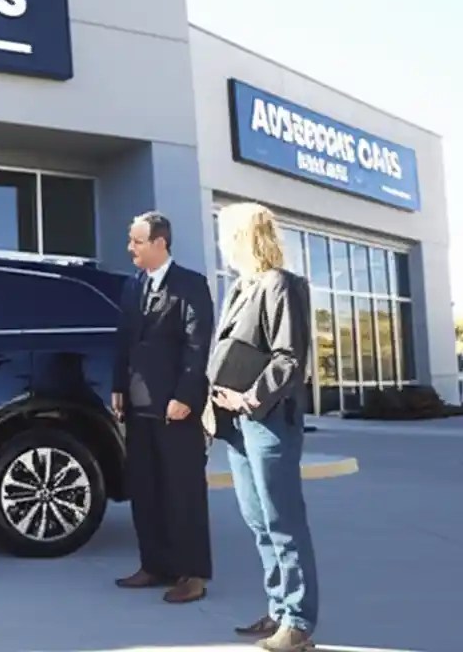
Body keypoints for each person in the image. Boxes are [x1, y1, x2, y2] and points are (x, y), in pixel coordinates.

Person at [207, 202, 318, 652]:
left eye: (224, 233)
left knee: (283, 521)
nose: (219, 241)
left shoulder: (281, 285)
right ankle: (277, 611)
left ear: (243, 236)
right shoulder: (241, 287)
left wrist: (249, 397)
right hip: (235, 423)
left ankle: (297, 622)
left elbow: (289, 358)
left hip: (267, 420)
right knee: (259, 522)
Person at [112, 211, 215, 604]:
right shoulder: (131, 286)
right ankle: (154, 565)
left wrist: (186, 396)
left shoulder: (191, 285)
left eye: (137, 241)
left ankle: (192, 574)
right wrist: (118, 386)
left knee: (182, 491)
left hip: (176, 406)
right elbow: (123, 341)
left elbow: (196, 345)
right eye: (130, 240)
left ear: (160, 243)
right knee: (146, 488)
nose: (130, 249)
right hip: (138, 405)